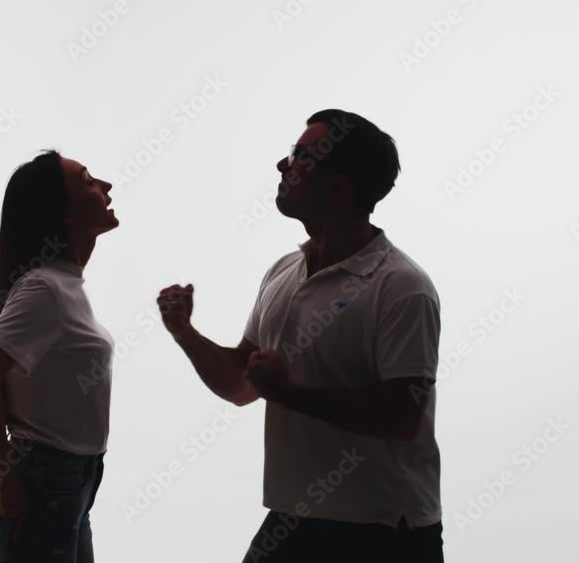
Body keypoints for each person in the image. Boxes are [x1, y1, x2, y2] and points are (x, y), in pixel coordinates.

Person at [157, 109, 444, 562]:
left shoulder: (402, 286)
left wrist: (289, 393)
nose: (283, 166)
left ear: (339, 186)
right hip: (294, 519)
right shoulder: (283, 272)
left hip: (385, 531)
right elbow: (240, 384)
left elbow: (401, 416)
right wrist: (184, 332)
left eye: (301, 156)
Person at [0, 149, 118, 562]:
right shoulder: (44, 289)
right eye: (87, 181)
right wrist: (7, 474)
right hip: (47, 484)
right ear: (62, 212)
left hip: (73, 484)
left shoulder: (65, 287)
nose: (105, 187)